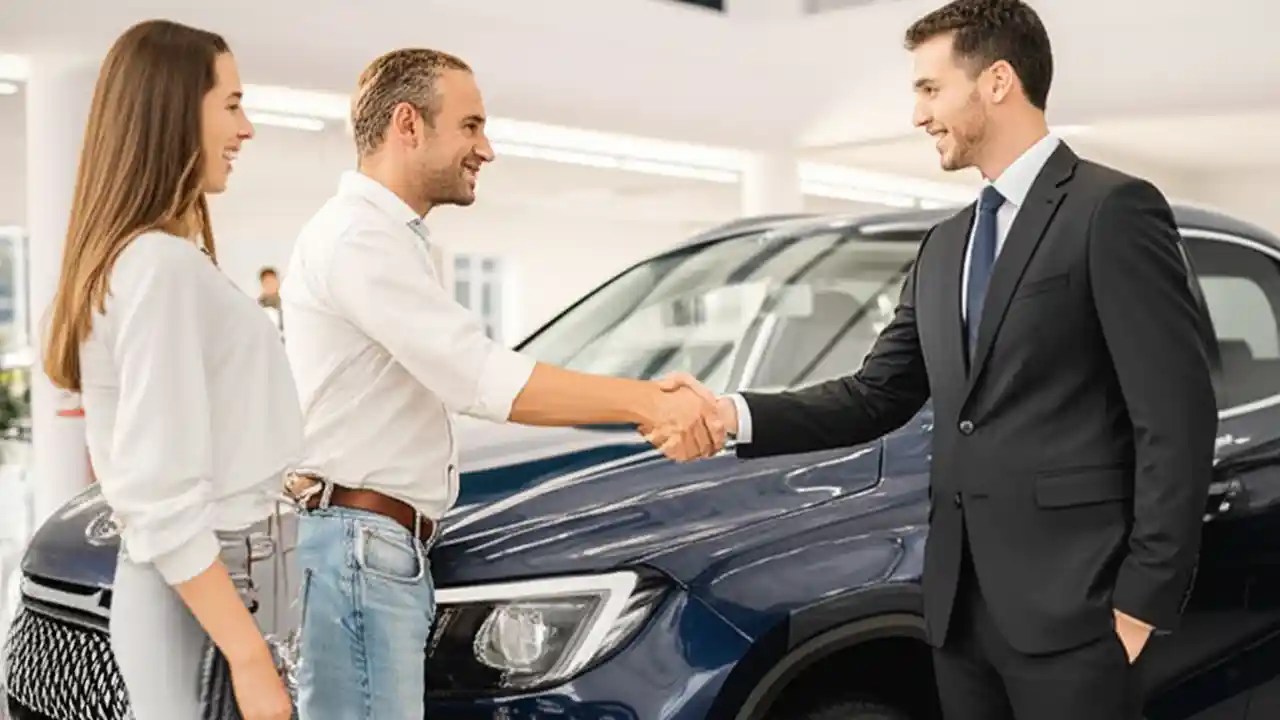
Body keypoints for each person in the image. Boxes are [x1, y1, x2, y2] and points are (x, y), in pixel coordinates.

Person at [656, 1, 1217, 718]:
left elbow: (1175, 416)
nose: (918, 114)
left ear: (998, 81)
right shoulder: (946, 244)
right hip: (959, 613)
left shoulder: (1112, 211)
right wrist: (729, 413)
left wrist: (1144, 600)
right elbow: (874, 395)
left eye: (929, 88)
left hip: (1077, 611)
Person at [280, 48, 721, 719]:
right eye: (471, 125)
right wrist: (645, 400)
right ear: (407, 124)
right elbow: (480, 376)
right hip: (359, 554)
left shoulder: (387, 239)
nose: (486, 148)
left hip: (370, 549)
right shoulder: (358, 239)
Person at [41, 20, 300, 720]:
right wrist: (249, 658)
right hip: (215, 594)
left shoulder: (143, 259)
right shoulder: (160, 266)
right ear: (174, 109)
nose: (246, 129)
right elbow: (161, 492)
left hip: (203, 589)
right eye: (232, 104)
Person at [258, 266, 284, 333]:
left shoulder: (286, 302)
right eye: (268, 282)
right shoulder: (258, 306)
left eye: (273, 280)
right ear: (262, 284)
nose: (271, 285)